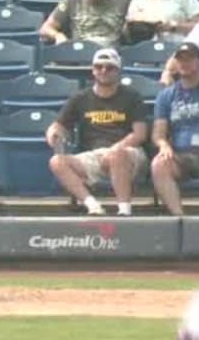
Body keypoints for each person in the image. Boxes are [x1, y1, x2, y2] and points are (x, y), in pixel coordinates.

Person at [44, 48, 149, 217]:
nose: (103, 71)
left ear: (118, 71)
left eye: (110, 67)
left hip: (129, 153)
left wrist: (115, 149)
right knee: (56, 161)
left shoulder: (132, 96)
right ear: (93, 70)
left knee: (117, 155)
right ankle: (92, 205)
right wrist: (54, 131)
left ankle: (124, 210)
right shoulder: (80, 98)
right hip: (95, 156)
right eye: (99, 67)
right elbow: (59, 124)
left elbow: (139, 134)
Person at [151, 41, 199, 216]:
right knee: (158, 163)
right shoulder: (166, 95)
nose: (184, 63)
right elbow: (158, 133)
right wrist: (164, 146)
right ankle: (178, 214)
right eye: (180, 59)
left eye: (189, 59)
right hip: (178, 155)